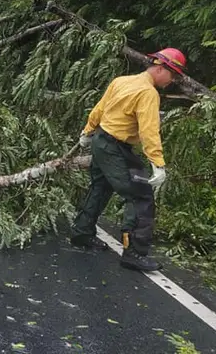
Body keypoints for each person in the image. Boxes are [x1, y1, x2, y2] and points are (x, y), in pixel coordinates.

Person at [69, 48, 187, 272]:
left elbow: (100, 108)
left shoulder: (121, 81)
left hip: (102, 141)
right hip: (115, 148)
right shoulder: (148, 93)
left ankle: (81, 233)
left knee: (100, 187)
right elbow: (149, 131)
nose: (172, 81)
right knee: (140, 195)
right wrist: (158, 164)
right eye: (172, 75)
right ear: (160, 69)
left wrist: (88, 131)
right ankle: (134, 252)